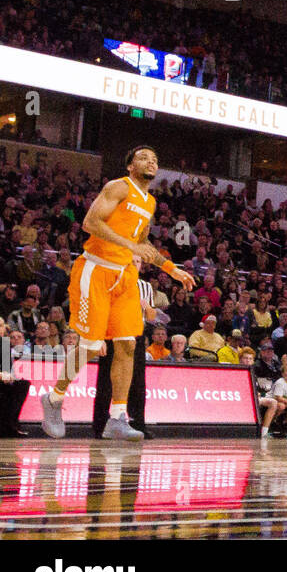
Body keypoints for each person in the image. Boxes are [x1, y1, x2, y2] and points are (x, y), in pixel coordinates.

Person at [41, 146, 195, 441]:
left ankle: (117, 417)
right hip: (95, 270)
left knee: (127, 346)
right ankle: (55, 398)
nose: (151, 161)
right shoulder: (118, 187)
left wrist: (170, 268)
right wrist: (130, 245)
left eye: (155, 158)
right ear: (130, 166)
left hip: (125, 276)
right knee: (89, 345)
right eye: (144, 157)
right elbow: (91, 223)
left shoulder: (149, 201)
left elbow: (141, 242)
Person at [92, 257, 160, 438]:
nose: (134, 264)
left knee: (138, 382)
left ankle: (138, 423)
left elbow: (153, 317)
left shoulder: (145, 287)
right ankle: (100, 425)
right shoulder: (112, 282)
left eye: (137, 261)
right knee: (106, 382)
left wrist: (146, 309)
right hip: (112, 334)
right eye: (130, 260)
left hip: (136, 336)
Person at [0, 315, 28, 437]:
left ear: (4, 329)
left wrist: (8, 376)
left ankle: (11, 425)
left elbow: (7, 368)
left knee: (22, 384)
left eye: (0, 326)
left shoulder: (5, 344)